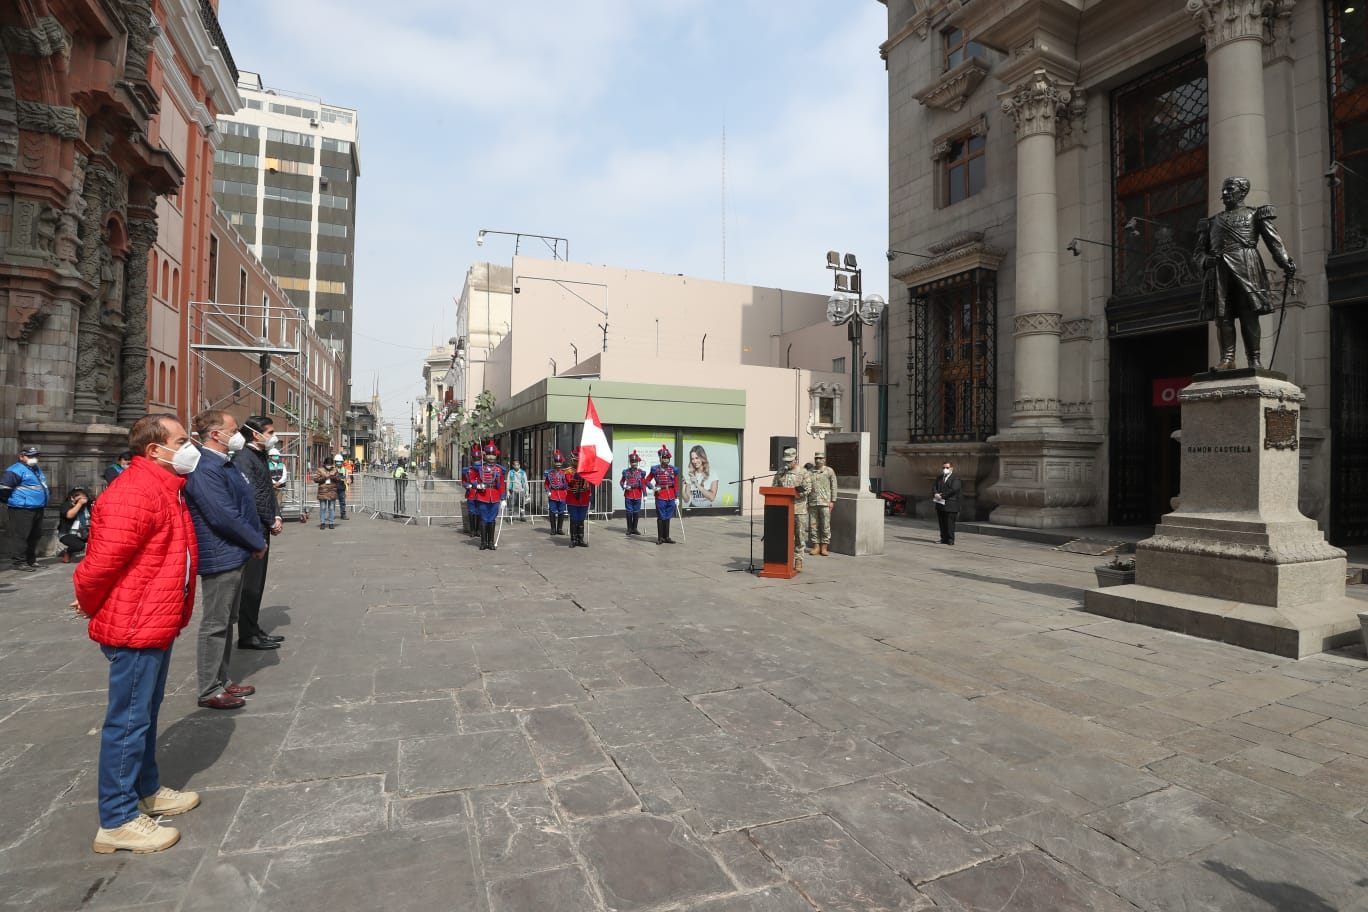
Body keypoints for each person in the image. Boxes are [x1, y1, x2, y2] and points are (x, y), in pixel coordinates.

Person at [74, 413, 202, 854]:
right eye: (182, 440)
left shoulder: (165, 488)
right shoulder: (135, 491)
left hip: (155, 618)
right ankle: (117, 818)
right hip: (136, 622)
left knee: (144, 712)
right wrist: (89, 602)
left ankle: (146, 790)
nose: (190, 448)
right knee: (128, 721)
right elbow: (99, 565)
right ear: (154, 450)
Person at [184, 410, 268, 711]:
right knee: (215, 623)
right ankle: (209, 688)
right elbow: (223, 515)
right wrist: (256, 541)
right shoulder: (205, 467)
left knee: (228, 621)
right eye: (233, 429)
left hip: (236, 551)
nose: (238, 435)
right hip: (221, 552)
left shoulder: (226, 463)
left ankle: (222, 679)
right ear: (216, 435)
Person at [1195, 175, 1296, 370]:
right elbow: (1198, 252)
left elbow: (1274, 242)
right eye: (1224, 189)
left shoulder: (1255, 215)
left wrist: (1285, 262)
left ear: (1242, 192)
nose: (1224, 193)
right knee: (1222, 316)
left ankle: (1254, 360)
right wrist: (1206, 260)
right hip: (1219, 271)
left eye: (1230, 189)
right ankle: (1228, 359)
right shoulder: (1211, 222)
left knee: (1248, 314)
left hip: (1247, 267)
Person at [235, 416, 284, 651]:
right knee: (251, 585)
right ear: (256, 434)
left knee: (259, 582)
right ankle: (247, 633)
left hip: (263, 525)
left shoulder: (260, 455)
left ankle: (253, 628)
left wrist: (276, 515)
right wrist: (269, 519)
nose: (273, 435)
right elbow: (252, 493)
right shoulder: (244, 457)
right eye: (270, 431)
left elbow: (268, 490)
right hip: (253, 528)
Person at [2, 445, 49, 572]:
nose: (34, 458)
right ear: (21, 456)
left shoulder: (35, 469)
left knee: (34, 535)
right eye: (30, 456)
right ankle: (18, 562)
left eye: (35, 456)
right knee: (21, 536)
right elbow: (4, 490)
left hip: (37, 507)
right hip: (21, 508)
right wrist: (16, 502)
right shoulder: (15, 470)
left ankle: (30, 560)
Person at [772, 447, 811, 573]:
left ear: (795, 459)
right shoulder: (780, 472)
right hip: (783, 509)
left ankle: (798, 559)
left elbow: (808, 489)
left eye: (790, 461)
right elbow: (774, 487)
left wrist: (797, 493)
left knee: (799, 536)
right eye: (786, 461)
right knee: (784, 536)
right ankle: (784, 558)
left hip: (798, 509)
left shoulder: (803, 472)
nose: (787, 463)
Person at [468, 442, 507, 550]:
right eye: (488, 454)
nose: (491, 456)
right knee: (484, 519)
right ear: (485, 455)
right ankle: (483, 542)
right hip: (482, 496)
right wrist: (477, 485)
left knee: (492, 519)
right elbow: (472, 479)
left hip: (494, 496)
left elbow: (502, 484)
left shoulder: (499, 469)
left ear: (496, 455)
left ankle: (491, 542)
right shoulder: (479, 468)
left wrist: (503, 498)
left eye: (493, 454)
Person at [646, 445, 680, 544]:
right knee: (661, 516)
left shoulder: (673, 470)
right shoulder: (655, 469)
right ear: (661, 458)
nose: (666, 459)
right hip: (661, 495)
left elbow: (676, 483)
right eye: (664, 457)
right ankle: (660, 538)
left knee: (668, 516)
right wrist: (653, 487)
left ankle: (667, 537)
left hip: (671, 495)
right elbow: (646, 480)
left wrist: (677, 496)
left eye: (667, 458)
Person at [807, 452, 838, 556]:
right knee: (813, 525)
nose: (818, 460)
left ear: (824, 459)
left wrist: (832, 501)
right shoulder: (810, 472)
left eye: (820, 458)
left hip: (825, 503)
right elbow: (807, 487)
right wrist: (807, 502)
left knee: (825, 525)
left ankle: (824, 547)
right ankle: (816, 546)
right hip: (813, 502)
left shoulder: (829, 471)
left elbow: (834, 486)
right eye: (816, 458)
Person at [565, 449, 594, 548]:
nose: (577, 462)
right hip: (573, 498)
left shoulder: (586, 471)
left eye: (579, 460)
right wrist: (579, 474)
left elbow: (589, 485)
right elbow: (570, 482)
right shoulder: (568, 471)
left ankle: (580, 539)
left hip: (584, 499)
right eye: (576, 460)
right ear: (572, 460)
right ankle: (573, 540)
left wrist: (590, 497)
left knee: (581, 519)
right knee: (574, 519)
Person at [58, 487, 92, 564]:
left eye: (84, 498)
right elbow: (69, 515)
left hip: (84, 532)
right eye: (80, 498)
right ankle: (67, 552)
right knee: (79, 545)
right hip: (67, 533)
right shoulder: (65, 505)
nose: (83, 501)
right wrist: (79, 504)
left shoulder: (87, 507)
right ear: (72, 498)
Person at [619, 450, 647, 536]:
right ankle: (629, 529)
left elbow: (643, 483)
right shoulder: (626, 472)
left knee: (636, 512)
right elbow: (621, 482)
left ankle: (635, 528)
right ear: (630, 462)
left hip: (638, 493)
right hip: (628, 494)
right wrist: (624, 486)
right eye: (632, 461)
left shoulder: (641, 472)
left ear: (637, 462)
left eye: (635, 461)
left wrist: (645, 494)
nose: (634, 463)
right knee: (629, 512)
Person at [933, 460, 962, 545]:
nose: (945, 469)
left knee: (950, 523)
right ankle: (943, 538)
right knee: (942, 523)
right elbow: (934, 487)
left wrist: (942, 496)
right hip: (940, 503)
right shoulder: (939, 477)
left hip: (951, 505)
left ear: (951, 468)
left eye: (947, 467)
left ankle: (950, 539)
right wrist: (935, 493)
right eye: (943, 467)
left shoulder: (955, 478)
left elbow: (954, 489)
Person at [544, 449, 570, 536]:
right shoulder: (549, 473)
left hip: (562, 494)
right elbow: (546, 484)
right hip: (553, 494)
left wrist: (567, 490)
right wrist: (548, 491)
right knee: (552, 512)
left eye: (559, 462)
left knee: (561, 512)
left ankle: (559, 529)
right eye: (556, 462)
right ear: (554, 462)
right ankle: (553, 529)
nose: (558, 464)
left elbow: (568, 483)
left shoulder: (564, 472)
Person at [312, 459, 342, 530]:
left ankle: (331, 523)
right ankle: (322, 523)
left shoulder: (334, 470)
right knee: (323, 508)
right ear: (325, 464)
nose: (329, 466)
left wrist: (334, 477)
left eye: (330, 464)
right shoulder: (320, 470)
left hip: (332, 491)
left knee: (331, 508)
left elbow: (339, 478)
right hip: (323, 491)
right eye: (328, 464)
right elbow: (315, 479)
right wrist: (324, 477)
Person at [461, 443, 482, 538]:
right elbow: (464, 481)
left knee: (480, 512)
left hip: (481, 494)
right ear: (472, 459)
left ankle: (478, 530)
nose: (476, 461)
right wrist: (467, 485)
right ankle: (472, 530)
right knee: (472, 512)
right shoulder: (467, 470)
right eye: (475, 459)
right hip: (471, 493)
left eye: (478, 459)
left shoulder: (484, 469)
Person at [332, 453, 350, 520]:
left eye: (340, 462)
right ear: (335, 462)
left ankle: (343, 514)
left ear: (342, 462)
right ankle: (332, 515)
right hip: (333, 488)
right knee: (332, 502)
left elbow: (347, 479)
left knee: (342, 502)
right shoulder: (332, 469)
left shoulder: (345, 470)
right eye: (337, 462)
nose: (339, 463)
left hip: (341, 488)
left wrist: (348, 482)